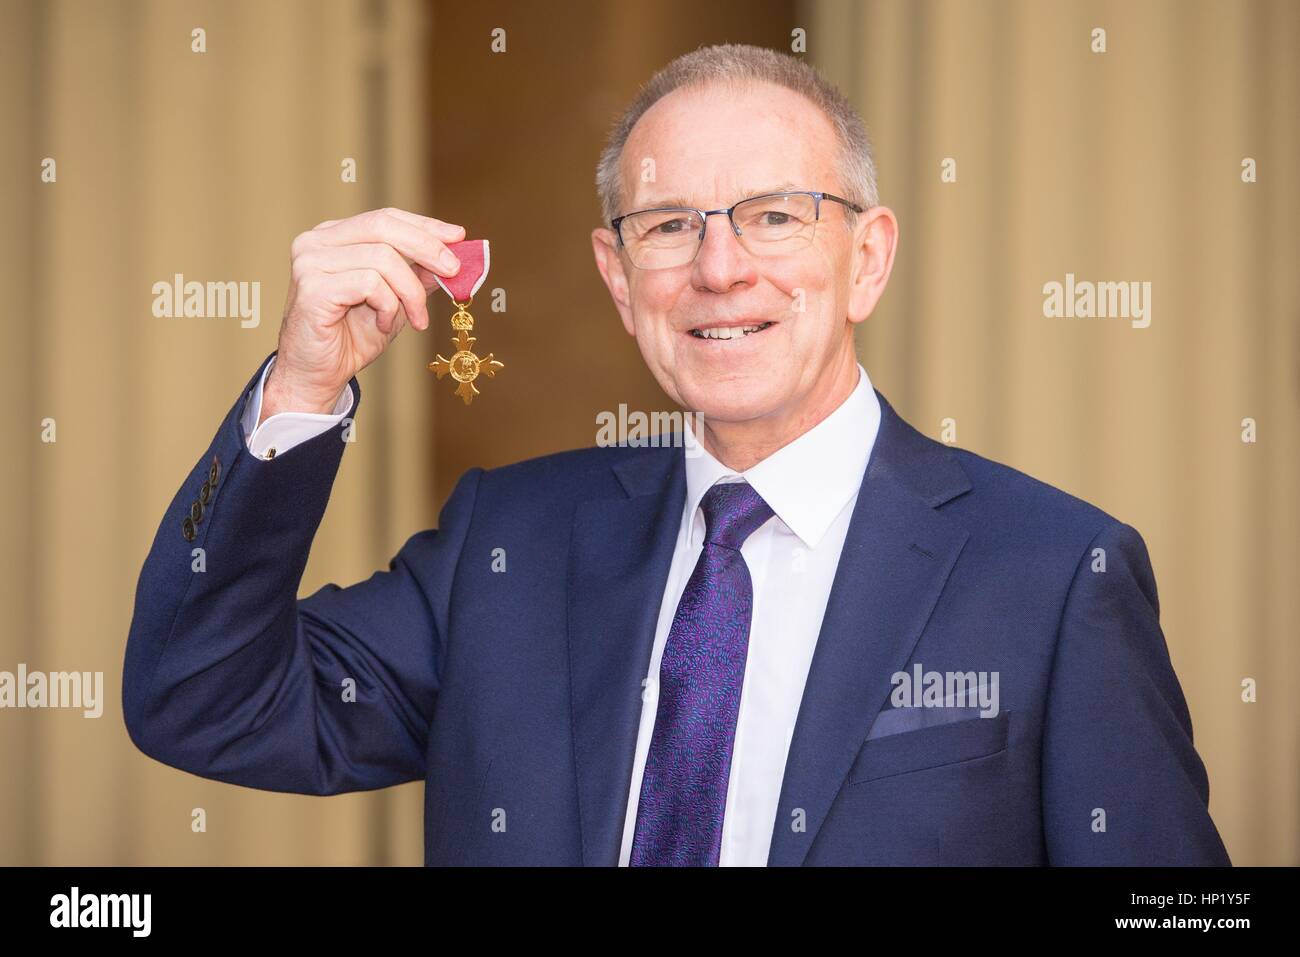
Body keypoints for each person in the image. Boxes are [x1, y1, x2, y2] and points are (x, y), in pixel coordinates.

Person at [122, 43, 1230, 866]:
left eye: (775, 217)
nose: (719, 269)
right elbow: (201, 699)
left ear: (867, 259)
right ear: (617, 276)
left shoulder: (1053, 574)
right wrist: (305, 388)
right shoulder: (503, 547)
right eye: (668, 226)